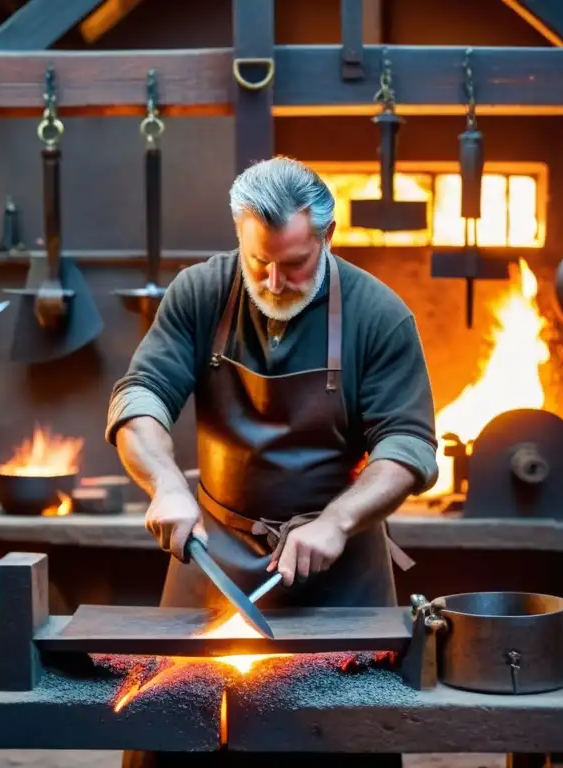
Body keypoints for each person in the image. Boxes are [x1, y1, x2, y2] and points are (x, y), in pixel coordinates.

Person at [108, 156, 438, 766]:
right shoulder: (201, 292)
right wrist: (164, 484)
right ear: (238, 233)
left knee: (343, 742)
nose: (275, 282)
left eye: (294, 264)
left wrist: (335, 523)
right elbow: (141, 396)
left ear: (327, 237)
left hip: (339, 572)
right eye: (259, 262)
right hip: (214, 560)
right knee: (170, 730)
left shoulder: (380, 315)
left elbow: (408, 446)